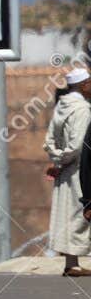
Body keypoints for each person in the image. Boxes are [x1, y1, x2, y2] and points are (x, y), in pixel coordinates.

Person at [44, 67, 91, 276]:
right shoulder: (82, 110)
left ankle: (72, 263)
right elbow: (78, 146)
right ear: (83, 85)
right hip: (81, 169)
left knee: (70, 216)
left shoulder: (62, 106)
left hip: (66, 170)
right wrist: (66, 161)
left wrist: (58, 161)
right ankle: (73, 265)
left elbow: (49, 140)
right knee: (82, 213)